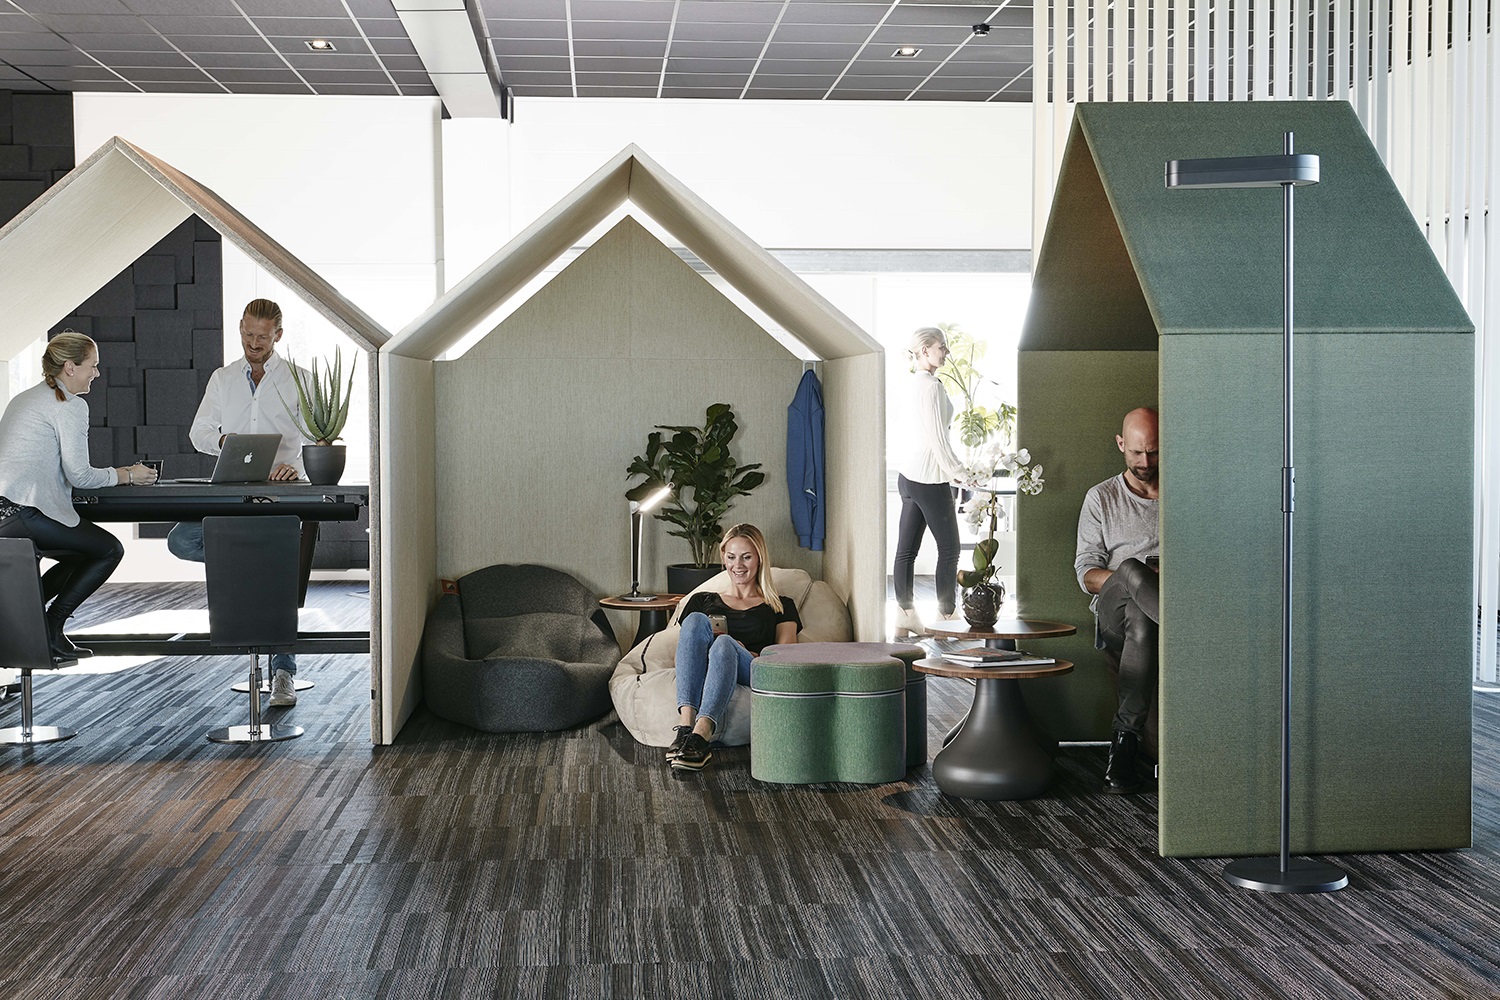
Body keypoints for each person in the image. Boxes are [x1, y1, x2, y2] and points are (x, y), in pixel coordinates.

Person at [167, 298, 312, 706]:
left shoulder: (299, 379)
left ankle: (283, 671)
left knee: (278, 578)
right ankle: (249, 561)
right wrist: (222, 441)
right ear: (241, 329)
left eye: (262, 337)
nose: (254, 342)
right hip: (232, 487)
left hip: (281, 490)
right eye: (248, 334)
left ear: (277, 336)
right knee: (182, 541)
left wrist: (291, 466)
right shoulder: (223, 378)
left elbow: (317, 433)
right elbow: (199, 434)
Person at [0, 331, 158, 661]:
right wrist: (128, 474)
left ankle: (22, 620)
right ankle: (51, 627)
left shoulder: (26, 397)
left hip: (6, 513)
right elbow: (79, 475)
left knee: (79, 556)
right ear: (70, 367)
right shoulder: (69, 406)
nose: (97, 374)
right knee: (108, 550)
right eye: (93, 366)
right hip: (24, 512)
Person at [666, 523, 800, 772]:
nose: (738, 565)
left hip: (754, 668)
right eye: (731, 557)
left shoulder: (781, 605)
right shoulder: (702, 600)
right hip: (710, 662)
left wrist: (747, 652)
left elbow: (786, 659)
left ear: (760, 559)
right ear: (724, 559)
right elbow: (686, 647)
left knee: (725, 643)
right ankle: (685, 730)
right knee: (697, 621)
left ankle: (702, 733)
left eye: (746, 557)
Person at [1074, 406, 1160, 794]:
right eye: (1137, 452)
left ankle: (1123, 743)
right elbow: (1087, 574)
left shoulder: (1187, 493)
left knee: (1143, 617)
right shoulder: (1101, 498)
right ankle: (1181, 625)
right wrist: (1131, 578)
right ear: (1121, 444)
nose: (1145, 462)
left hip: (1150, 615)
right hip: (1113, 614)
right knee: (1130, 567)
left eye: (1155, 452)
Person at [892, 326, 967, 636]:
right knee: (950, 549)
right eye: (941, 347)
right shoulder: (932, 386)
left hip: (908, 477)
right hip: (929, 478)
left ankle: (905, 612)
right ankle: (947, 614)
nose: (945, 352)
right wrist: (961, 472)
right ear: (924, 351)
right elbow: (937, 439)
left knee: (906, 551)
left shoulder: (913, 383)